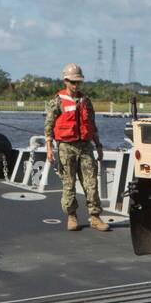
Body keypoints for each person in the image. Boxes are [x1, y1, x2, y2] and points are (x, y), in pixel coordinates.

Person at [44, 63, 109, 231]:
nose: (75, 85)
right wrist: (49, 148)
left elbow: (92, 125)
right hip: (66, 147)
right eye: (73, 82)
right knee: (69, 183)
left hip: (85, 146)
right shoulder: (56, 102)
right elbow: (49, 126)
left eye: (78, 82)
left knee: (91, 183)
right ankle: (72, 216)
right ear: (65, 81)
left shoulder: (85, 101)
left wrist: (99, 146)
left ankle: (95, 216)